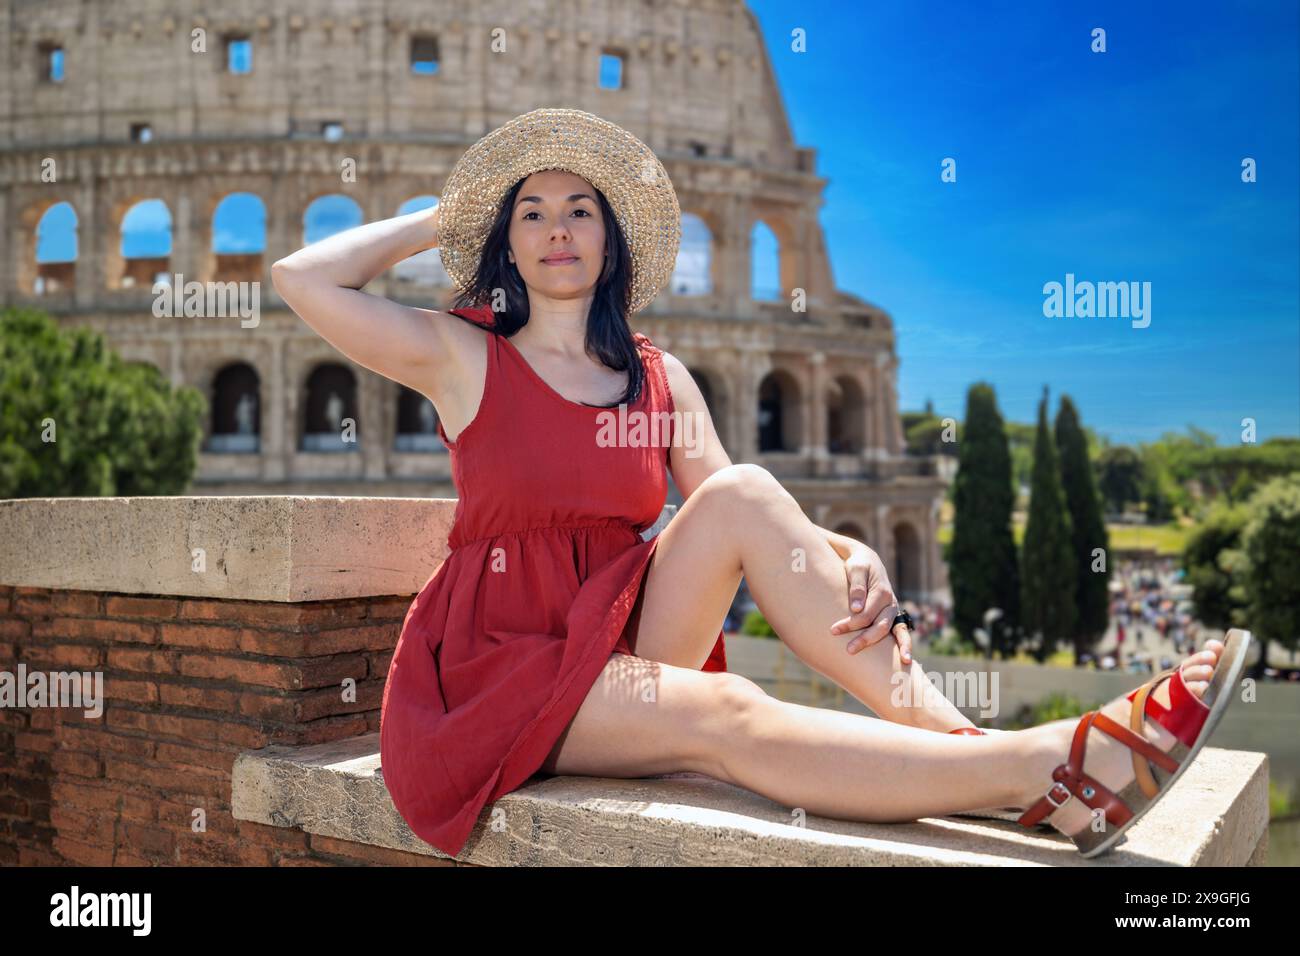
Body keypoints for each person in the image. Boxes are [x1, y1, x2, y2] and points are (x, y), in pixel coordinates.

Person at [272, 106, 1249, 860]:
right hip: (502, 666)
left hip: (615, 634)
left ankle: (963, 738)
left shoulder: (656, 376)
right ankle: (1052, 764)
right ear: (506, 240)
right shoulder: (461, 356)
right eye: (530, 213)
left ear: (611, 239)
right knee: (724, 718)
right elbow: (302, 278)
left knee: (740, 488)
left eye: (579, 210)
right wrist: (447, 212)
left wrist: (843, 549)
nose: (556, 229)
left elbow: (735, 510)